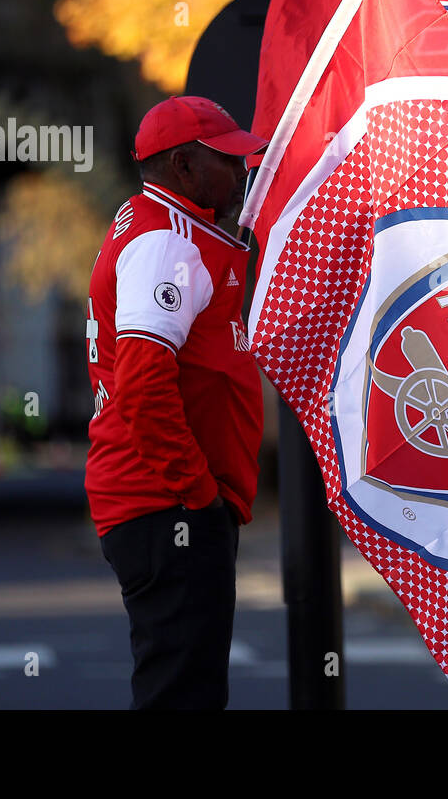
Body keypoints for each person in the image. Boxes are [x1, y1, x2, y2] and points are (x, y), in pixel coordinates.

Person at [84, 95, 267, 708]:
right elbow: (142, 382)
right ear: (184, 167)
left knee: (182, 688)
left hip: (163, 502)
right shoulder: (167, 242)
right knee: (183, 696)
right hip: (169, 504)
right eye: (227, 160)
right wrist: (199, 493)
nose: (241, 172)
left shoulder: (153, 225)